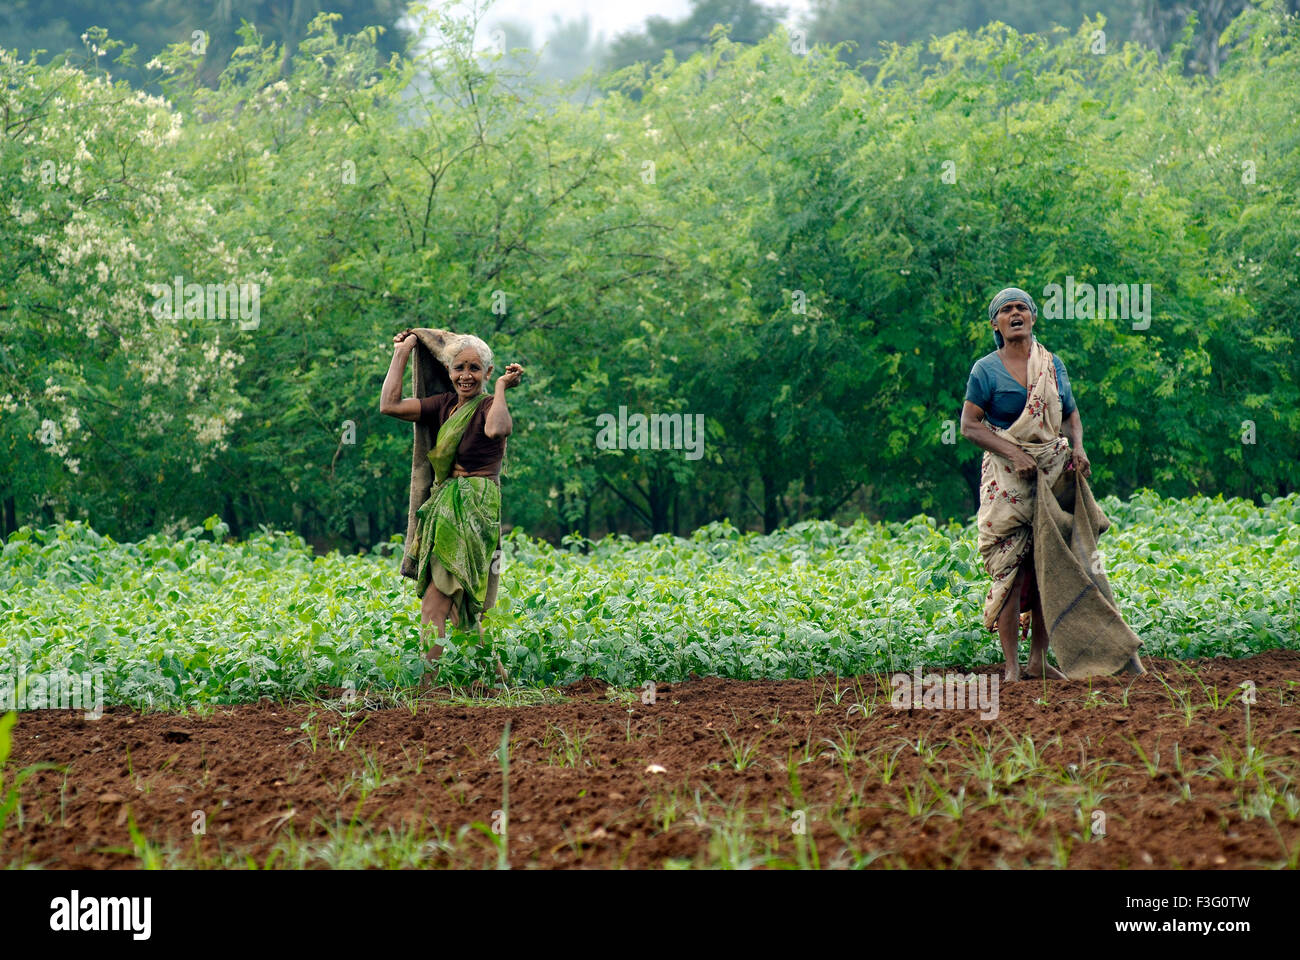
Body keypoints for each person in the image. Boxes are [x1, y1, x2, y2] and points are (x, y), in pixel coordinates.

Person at [959, 287, 1091, 682]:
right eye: (1006, 310)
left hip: (1051, 473)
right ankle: (1012, 667)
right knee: (1011, 568)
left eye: (1022, 308)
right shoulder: (986, 369)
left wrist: (1078, 448)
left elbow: (1071, 414)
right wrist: (1014, 454)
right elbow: (969, 425)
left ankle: (1039, 660)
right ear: (996, 325)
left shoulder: (1052, 366)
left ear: (1033, 317)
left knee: (1049, 565)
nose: (1015, 313)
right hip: (1007, 480)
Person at [380, 330, 523, 682]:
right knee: (459, 606)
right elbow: (389, 405)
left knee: (436, 600)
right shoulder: (443, 405)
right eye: (459, 367)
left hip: (474, 507)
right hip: (445, 503)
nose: (466, 375)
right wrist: (402, 353)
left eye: (475, 368)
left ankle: (426, 687)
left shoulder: (490, 405)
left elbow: (499, 430)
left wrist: (502, 389)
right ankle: (497, 679)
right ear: (448, 369)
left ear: (487, 373)